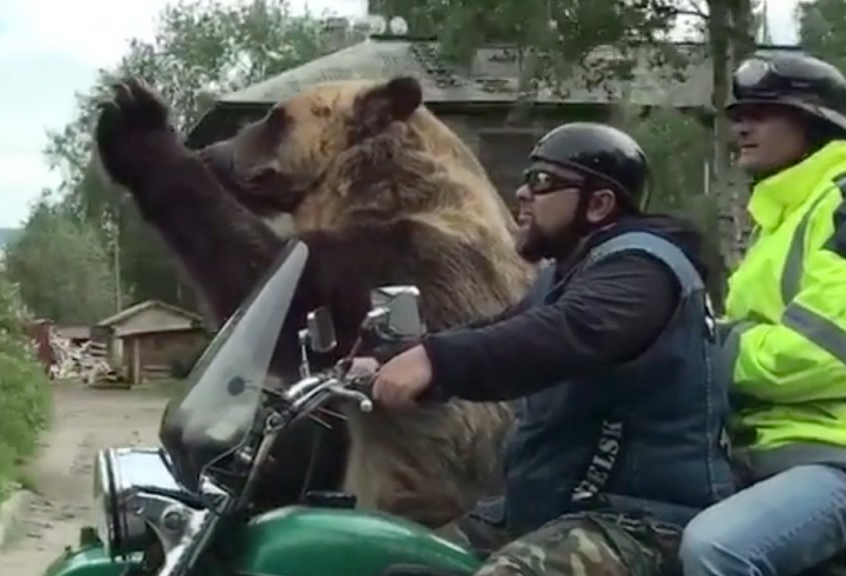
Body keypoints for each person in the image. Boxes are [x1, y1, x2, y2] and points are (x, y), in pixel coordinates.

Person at [361, 122, 735, 576]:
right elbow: (501, 331)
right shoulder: (568, 274)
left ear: (599, 203)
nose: (521, 192)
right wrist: (384, 364)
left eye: (542, 181)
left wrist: (437, 361)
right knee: (387, 556)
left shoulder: (643, 267)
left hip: (635, 522)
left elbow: (566, 333)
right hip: (548, 510)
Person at [677, 51, 846, 576]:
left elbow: (827, 350)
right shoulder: (779, 216)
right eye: (739, 117)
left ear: (816, 123)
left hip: (830, 453)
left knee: (715, 549)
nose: (743, 128)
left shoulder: (840, 205)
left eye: (763, 113)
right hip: (766, 448)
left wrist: (709, 351)